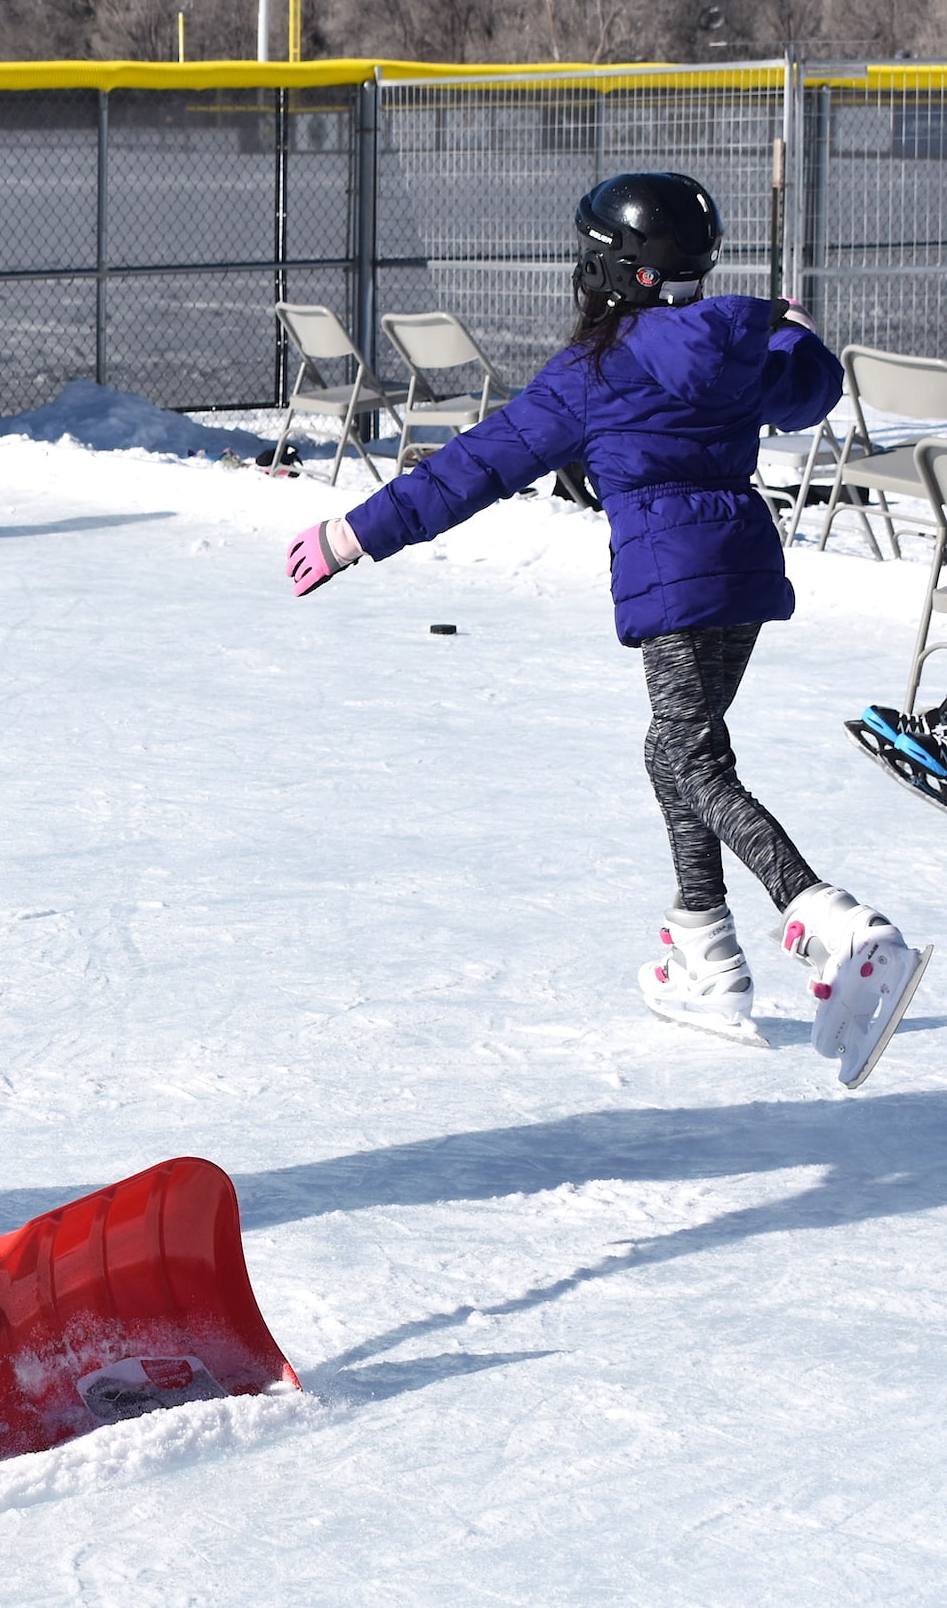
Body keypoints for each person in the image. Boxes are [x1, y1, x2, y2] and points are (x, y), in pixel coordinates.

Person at [285, 173, 926, 1088]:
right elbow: (808, 393)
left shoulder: (588, 373)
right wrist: (787, 330)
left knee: (688, 761)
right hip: (744, 569)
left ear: (607, 269)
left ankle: (829, 922)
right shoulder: (734, 341)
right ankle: (705, 952)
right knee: (679, 748)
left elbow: (472, 468)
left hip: (675, 580)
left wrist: (351, 533)